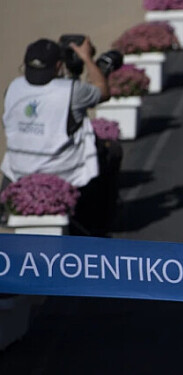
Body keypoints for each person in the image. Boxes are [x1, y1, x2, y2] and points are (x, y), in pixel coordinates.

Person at [1, 37, 118, 235]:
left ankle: (6, 209)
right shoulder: (72, 91)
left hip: (18, 172)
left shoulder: (13, 88)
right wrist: (86, 58)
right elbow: (103, 91)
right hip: (62, 173)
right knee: (112, 150)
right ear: (58, 66)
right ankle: (99, 224)